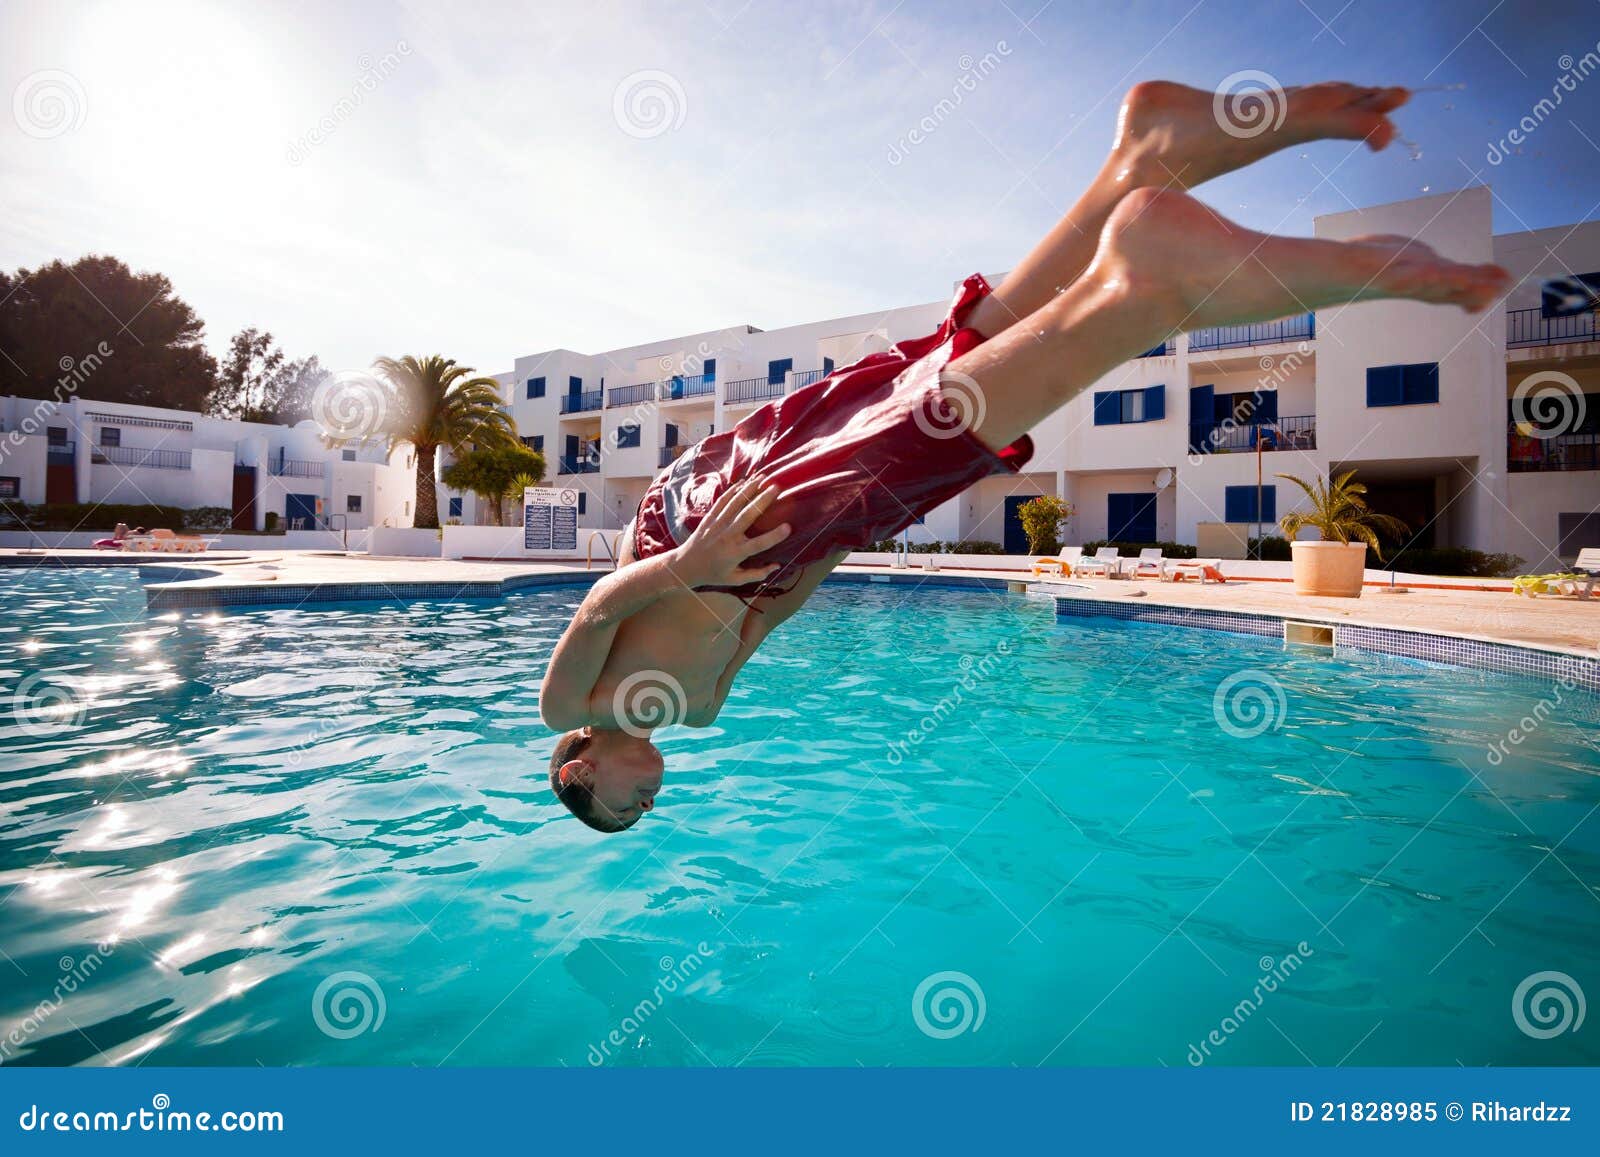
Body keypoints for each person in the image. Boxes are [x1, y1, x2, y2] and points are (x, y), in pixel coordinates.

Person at [541, 79, 1509, 831]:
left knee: (933, 422)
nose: (649, 797)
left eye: (627, 804)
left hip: (696, 521)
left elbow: (598, 602)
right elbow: (772, 610)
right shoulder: (699, 710)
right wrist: (854, 529)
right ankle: (1143, 156)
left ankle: (1141, 285)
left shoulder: (568, 703)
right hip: (767, 538)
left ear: (577, 769)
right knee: (936, 382)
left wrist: (694, 562)